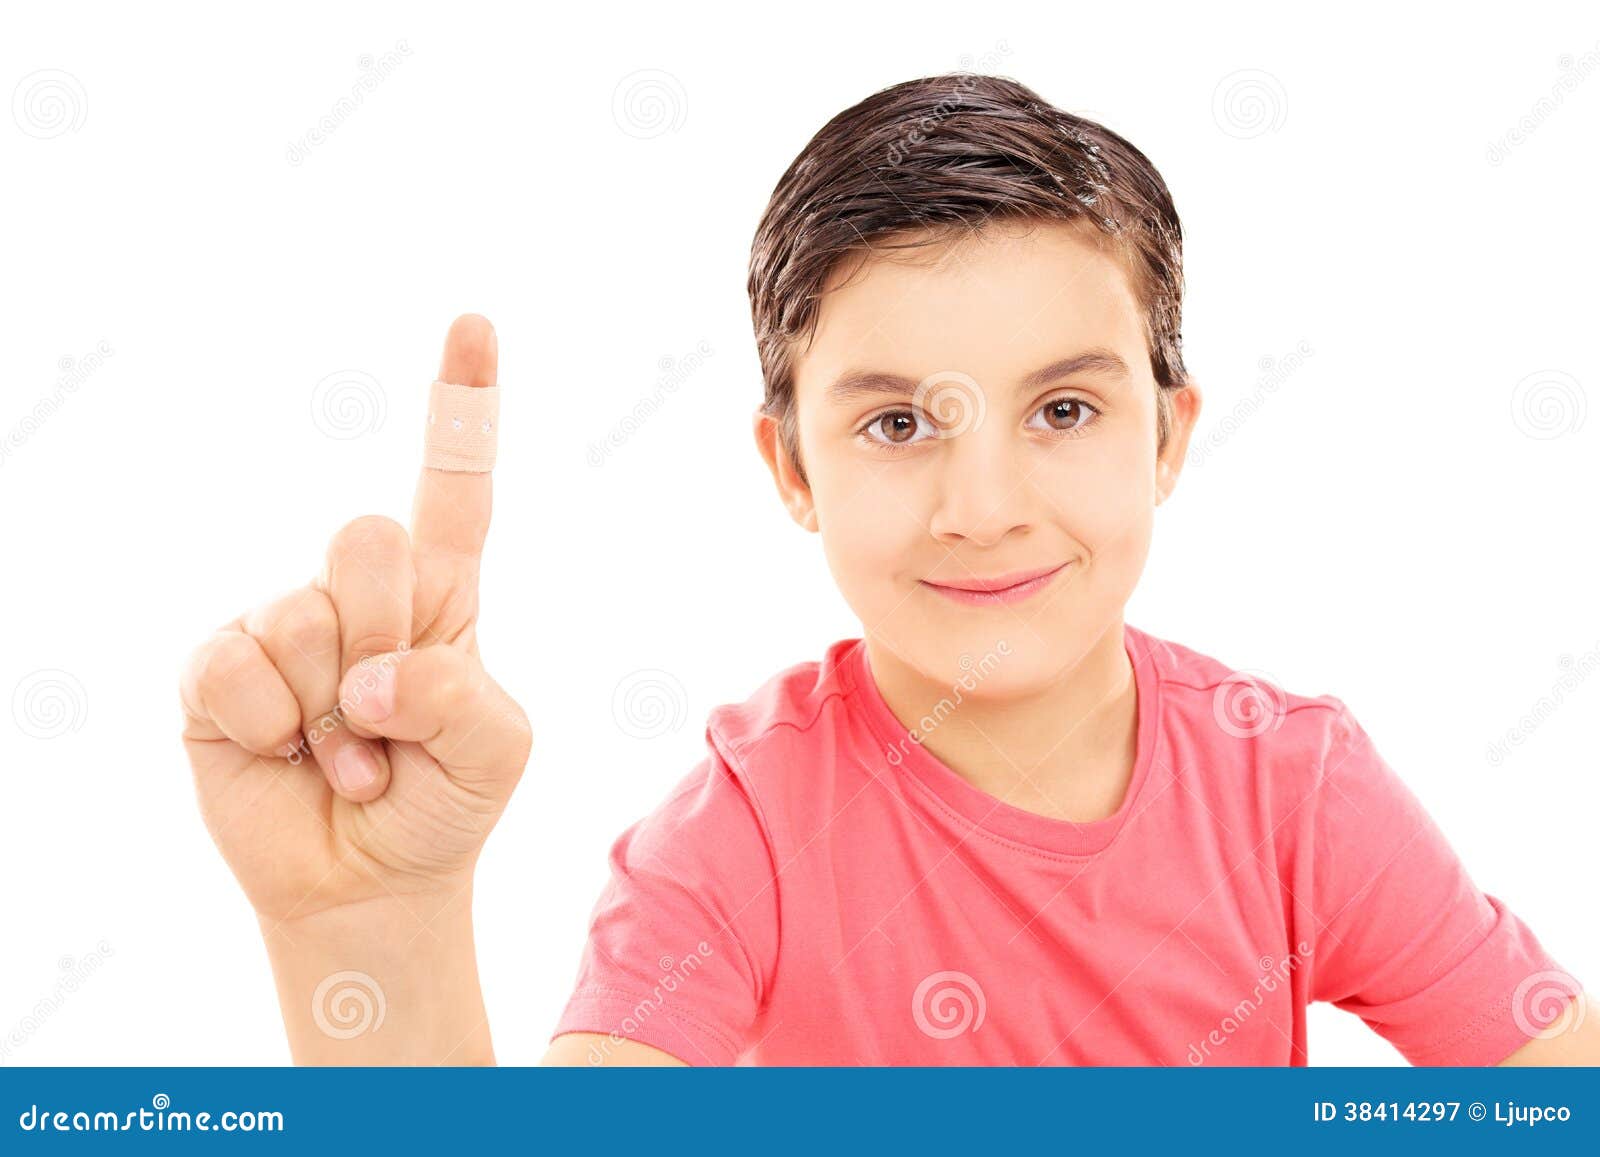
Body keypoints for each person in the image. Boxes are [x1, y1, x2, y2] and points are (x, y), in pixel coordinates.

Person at [177, 73, 1594, 1065]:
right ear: (791, 467)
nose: (982, 505)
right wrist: (371, 933)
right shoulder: (747, 827)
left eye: (1063, 410)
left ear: (1168, 436)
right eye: (899, 422)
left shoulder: (1293, 791)